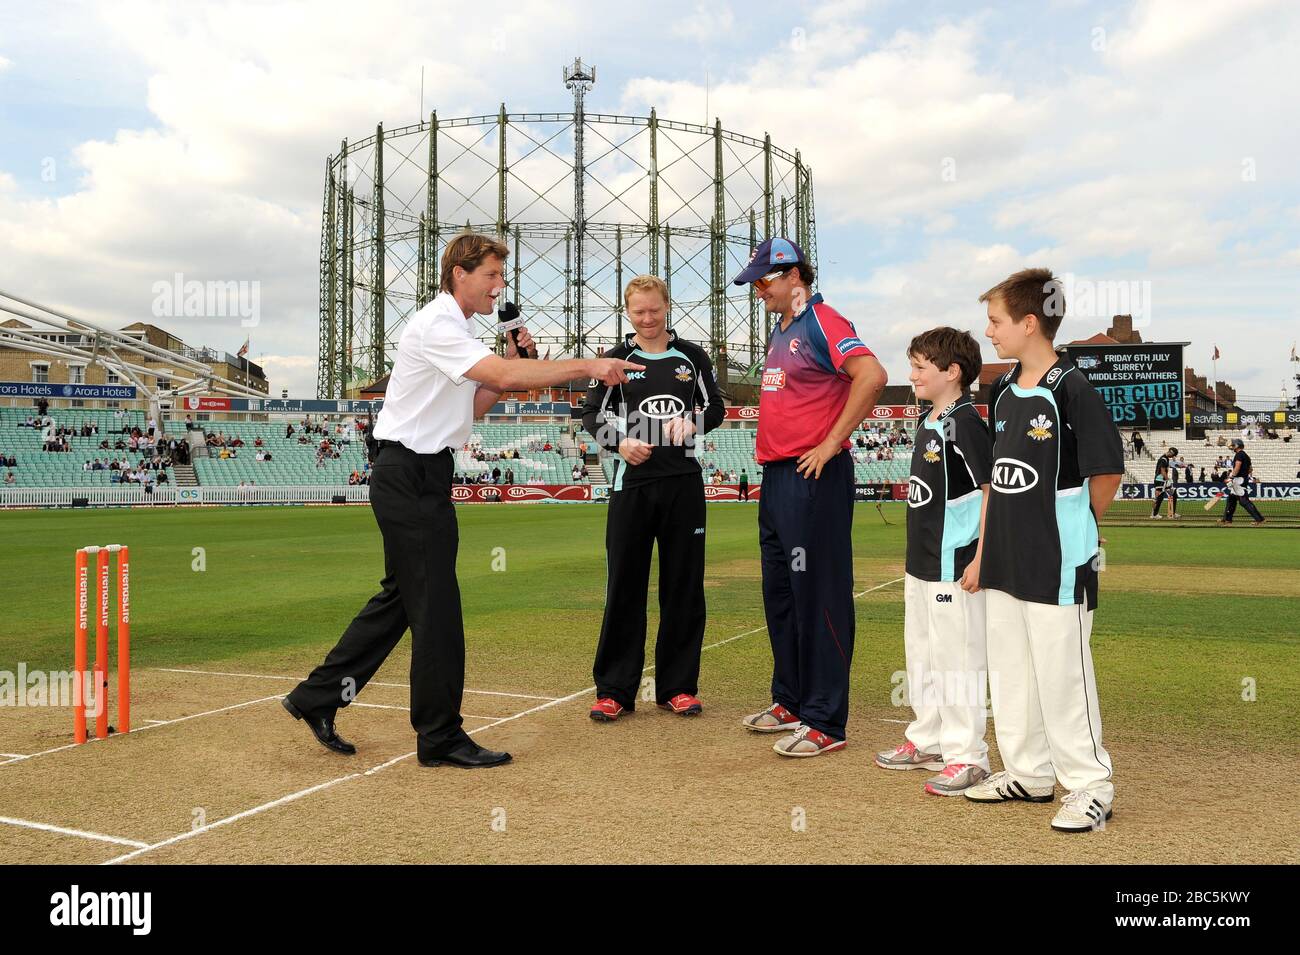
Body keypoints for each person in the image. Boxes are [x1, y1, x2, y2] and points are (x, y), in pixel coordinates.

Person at [283, 232, 642, 768]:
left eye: (501, 276)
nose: (500, 286)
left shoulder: (459, 329)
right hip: (408, 473)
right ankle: (440, 736)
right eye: (491, 275)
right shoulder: (438, 324)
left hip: (423, 472)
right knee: (438, 611)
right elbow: (499, 374)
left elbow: (475, 403)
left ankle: (317, 697)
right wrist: (585, 366)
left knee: (403, 599)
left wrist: (513, 369)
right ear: (460, 274)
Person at [964, 268, 1123, 834]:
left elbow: (1106, 474)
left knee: (1062, 672)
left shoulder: (1073, 389)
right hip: (1004, 558)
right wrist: (987, 551)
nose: (989, 331)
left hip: (1057, 561)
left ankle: (1089, 784)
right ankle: (1028, 772)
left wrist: (1075, 529)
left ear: (1030, 323)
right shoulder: (1002, 389)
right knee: (1011, 671)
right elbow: (995, 482)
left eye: (996, 321)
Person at [732, 237, 887, 757]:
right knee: (781, 595)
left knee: (819, 595)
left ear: (793, 275)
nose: (758, 291)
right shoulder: (782, 330)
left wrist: (831, 441)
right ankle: (792, 701)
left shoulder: (823, 320)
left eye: (764, 281)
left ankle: (825, 720)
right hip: (776, 478)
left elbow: (872, 375)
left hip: (813, 476)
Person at [580, 274, 724, 722]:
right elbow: (590, 414)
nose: (647, 318)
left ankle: (678, 687)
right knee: (624, 586)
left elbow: (715, 406)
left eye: (654, 310)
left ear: (667, 307)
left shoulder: (692, 357)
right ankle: (615, 690)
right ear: (628, 313)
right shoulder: (616, 359)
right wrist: (619, 444)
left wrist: (695, 423)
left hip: (682, 482)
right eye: (638, 311)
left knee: (683, 588)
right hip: (633, 484)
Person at [876, 327, 992, 796]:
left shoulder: (965, 422)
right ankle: (928, 740)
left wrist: (983, 556)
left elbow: (992, 493)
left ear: (952, 372)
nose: (912, 375)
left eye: (920, 367)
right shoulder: (930, 418)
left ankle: (968, 756)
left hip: (954, 564)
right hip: (919, 563)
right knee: (922, 656)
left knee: (957, 660)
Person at [1218, 438, 1265, 526]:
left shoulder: (1239, 455)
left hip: (1239, 480)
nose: (1231, 447)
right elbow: (1250, 469)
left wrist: (1231, 477)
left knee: (1244, 501)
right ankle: (1227, 520)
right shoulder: (1246, 456)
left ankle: (1259, 519)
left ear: (1237, 446)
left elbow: (1237, 467)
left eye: (1233, 445)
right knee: (1231, 500)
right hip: (1242, 479)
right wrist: (1244, 476)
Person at [1151, 448, 1178, 519]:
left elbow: (1165, 469)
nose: (1172, 457)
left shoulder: (1165, 458)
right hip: (1160, 480)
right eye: (1173, 455)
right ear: (1171, 453)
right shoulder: (1164, 459)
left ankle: (1172, 513)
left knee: (1173, 493)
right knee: (1158, 497)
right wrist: (1167, 479)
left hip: (1162, 480)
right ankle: (1154, 514)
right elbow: (1162, 471)